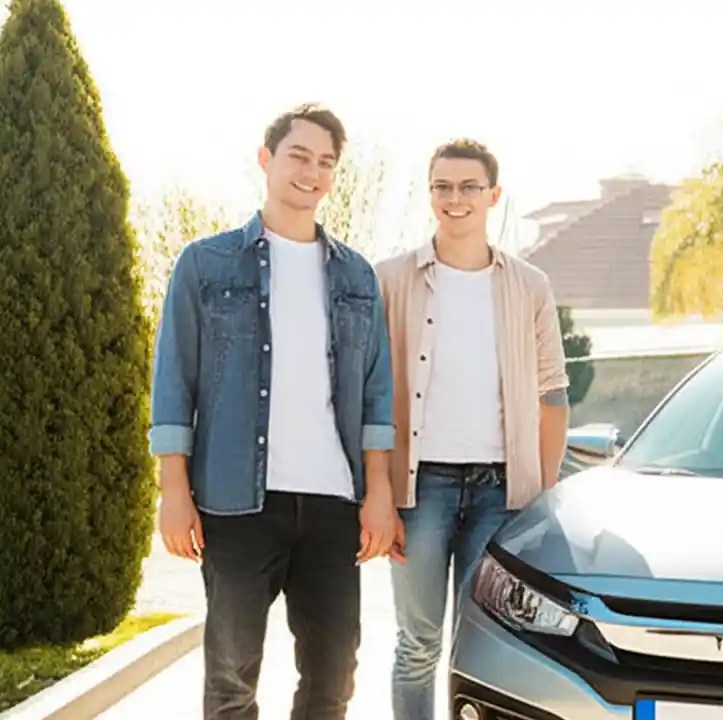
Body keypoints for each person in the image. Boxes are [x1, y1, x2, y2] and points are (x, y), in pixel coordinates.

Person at [149, 103, 402, 720]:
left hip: (331, 503)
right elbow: (173, 383)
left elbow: (376, 392)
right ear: (266, 160)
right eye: (299, 156)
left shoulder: (357, 277)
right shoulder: (205, 265)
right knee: (232, 676)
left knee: (334, 674)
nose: (311, 172)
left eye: (326, 163)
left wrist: (378, 492)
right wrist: (173, 491)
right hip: (237, 502)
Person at [374, 138, 571, 719]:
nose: (454, 199)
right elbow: (369, 394)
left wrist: (540, 494)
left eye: (468, 187)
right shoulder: (391, 279)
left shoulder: (529, 285)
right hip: (420, 490)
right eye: (442, 186)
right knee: (418, 645)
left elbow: (552, 394)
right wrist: (379, 492)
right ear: (430, 192)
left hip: (501, 492)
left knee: (487, 645)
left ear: (493, 195)